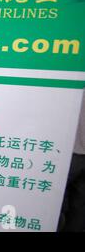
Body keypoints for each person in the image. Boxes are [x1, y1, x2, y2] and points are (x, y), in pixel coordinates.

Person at [60, 88, 85, 231]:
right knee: (80, 205)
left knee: (55, 202)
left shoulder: (75, 70)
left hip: (71, 151)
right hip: (75, 150)